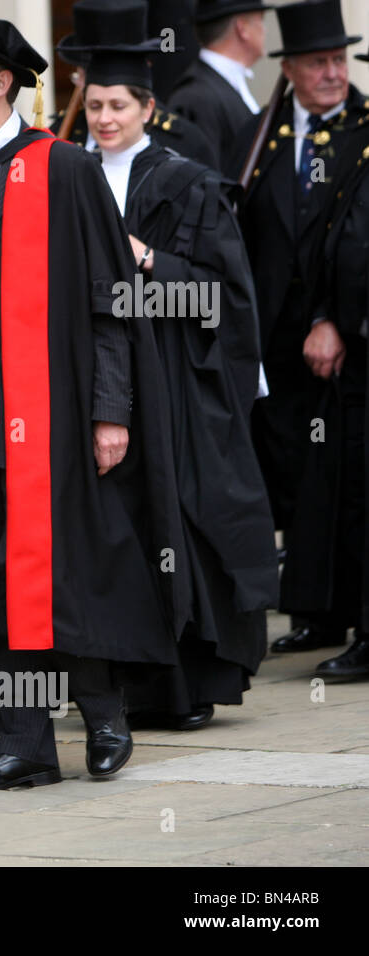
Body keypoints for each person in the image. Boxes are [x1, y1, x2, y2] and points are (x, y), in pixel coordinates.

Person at [0, 15, 184, 790]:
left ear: (0, 82)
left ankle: (102, 709)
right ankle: (23, 744)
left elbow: (109, 299)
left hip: (51, 415)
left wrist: (110, 409)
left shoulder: (63, 169)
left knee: (66, 573)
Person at [79, 37, 278, 730]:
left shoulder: (186, 184)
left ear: (148, 108)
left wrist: (151, 262)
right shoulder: (69, 180)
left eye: (118, 105)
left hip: (173, 389)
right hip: (94, 386)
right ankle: (118, 685)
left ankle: (187, 685)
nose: (105, 117)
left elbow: (223, 297)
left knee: (177, 520)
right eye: (96, 104)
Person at [226, 0, 369, 656]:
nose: (334, 73)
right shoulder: (265, 133)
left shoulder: (365, 131)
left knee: (341, 475)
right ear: (291, 70)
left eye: (340, 60)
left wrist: (334, 320)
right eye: (320, 62)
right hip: (278, 338)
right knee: (297, 476)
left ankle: (344, 606)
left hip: (342, 336)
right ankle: (313, 610)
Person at [305, 42, 369, 683]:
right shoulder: (356, 141)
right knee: (355, 494)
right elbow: (330, 236)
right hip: (357, 349)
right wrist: (326, 316)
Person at [54, 0, 219, 170]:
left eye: (118, 105)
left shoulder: (184, 142)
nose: (104, 118)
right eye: (82, 76)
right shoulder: (57, 134)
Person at [170, 0, 272, 168]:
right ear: (242, 28)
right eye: (260, 20)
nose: (264, 29)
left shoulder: (223, 85)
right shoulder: (196, 98)